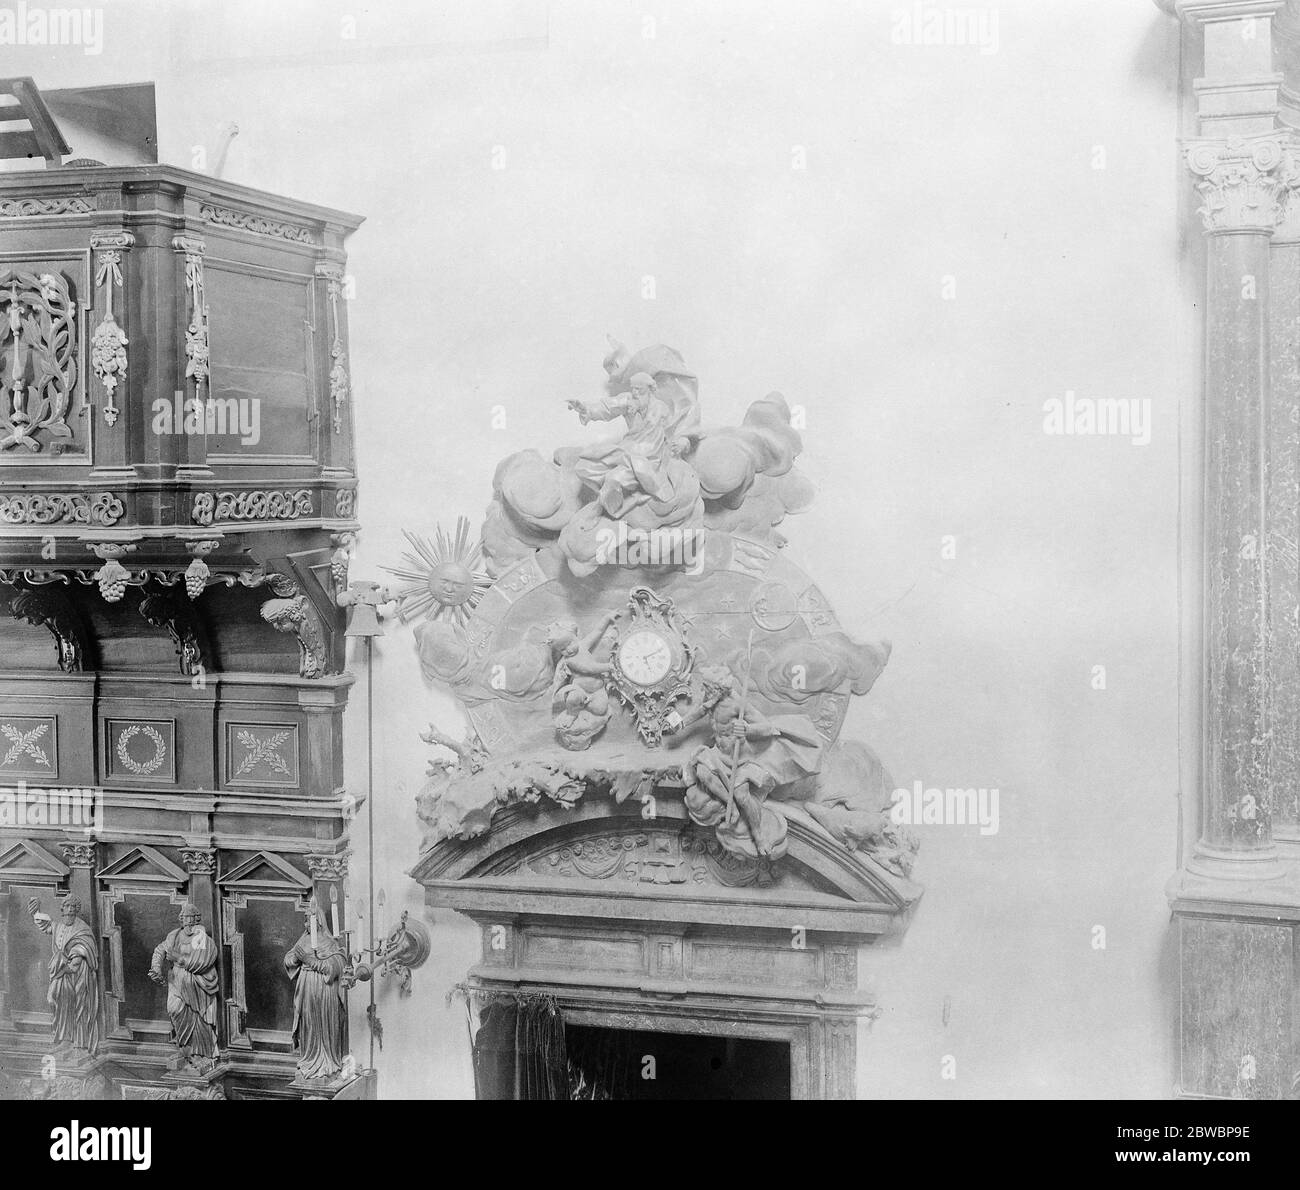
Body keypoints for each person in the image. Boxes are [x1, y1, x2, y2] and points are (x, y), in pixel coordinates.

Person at [667, 665, 824, 860]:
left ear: (718, 688)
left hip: (741, 757)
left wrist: (747, 729)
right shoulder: (710, 701)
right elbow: (698, 713)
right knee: (702, 772)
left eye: (707, 687)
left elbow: (767, 728)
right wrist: (680, 724)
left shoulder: (737, 704)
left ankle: (758, 835)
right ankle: (730, 807)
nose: (704, 690)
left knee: (742, 795)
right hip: (719, 753)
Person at [568, 373, 677, 517]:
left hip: (647, 460)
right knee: (583, 468)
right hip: (625, 452)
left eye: (639, 389)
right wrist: (585, 409)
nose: (635, 393)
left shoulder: (662, 409)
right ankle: (612, 498)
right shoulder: (628, 400)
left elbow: (673, 431)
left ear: (650, 389)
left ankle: (614, 510)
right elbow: (607, 407)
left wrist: (681, 443)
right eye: (633, 389)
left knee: (613, 478)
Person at [149, 903, 220, 1070]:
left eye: (191, 918)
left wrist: (179, 959)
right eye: (185, 918)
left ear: (196, 919)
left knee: (197, 1018)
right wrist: (156, 967)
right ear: (181, 920)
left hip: (197, 984)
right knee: (174, 1010)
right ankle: (184, 1049)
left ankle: (199, 1054)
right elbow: (161, 950)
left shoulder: (199, 935)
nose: (188, 922)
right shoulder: (174, 935)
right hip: (177, 981)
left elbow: (202, 961)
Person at [28, 893, 99, 1056]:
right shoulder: (59, 925)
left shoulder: (82, 928)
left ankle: (79, 1044)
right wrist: (35, 912)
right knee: (57, 1004)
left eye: (73, 907)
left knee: (77, 1008)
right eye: (67, 906)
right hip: (61, 974)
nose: (70, 910)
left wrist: (70, 961)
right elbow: (45, 926)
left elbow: (85, 948)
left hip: (78, 975)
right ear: (63, 909)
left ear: (76, 910)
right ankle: (64, 1040)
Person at [284, 904, 349, 1081]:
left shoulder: (330, 943)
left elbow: (335, 965)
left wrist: (311, 961)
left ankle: (326, 1061)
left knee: (325, 1023)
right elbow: (289, 959)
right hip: (306, 988)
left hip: (325, 989)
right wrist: (297, 958)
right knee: (309, 1023)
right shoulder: (303, 941)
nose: (305, 924)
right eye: (305, 919)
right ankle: (310, 1058)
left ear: (318, 921)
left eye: (308, 919)